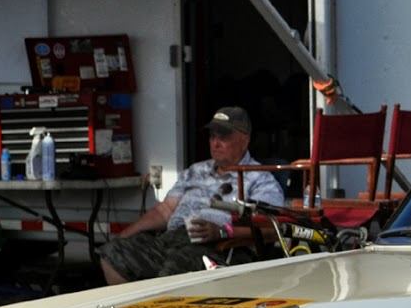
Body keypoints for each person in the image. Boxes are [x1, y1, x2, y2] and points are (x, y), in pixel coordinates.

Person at [99, 107, 286, 284]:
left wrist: (221, 231)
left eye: (223, 137)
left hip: (219, 246)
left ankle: (161, 304)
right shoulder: (196, 171)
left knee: (173, 269)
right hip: (172, 239)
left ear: (244, 140)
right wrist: (124, 235)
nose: (215, 143)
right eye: (212, 136)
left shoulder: (260, 179)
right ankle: (139, 305)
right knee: (113, 253)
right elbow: (165, 211)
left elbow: (271, 229)